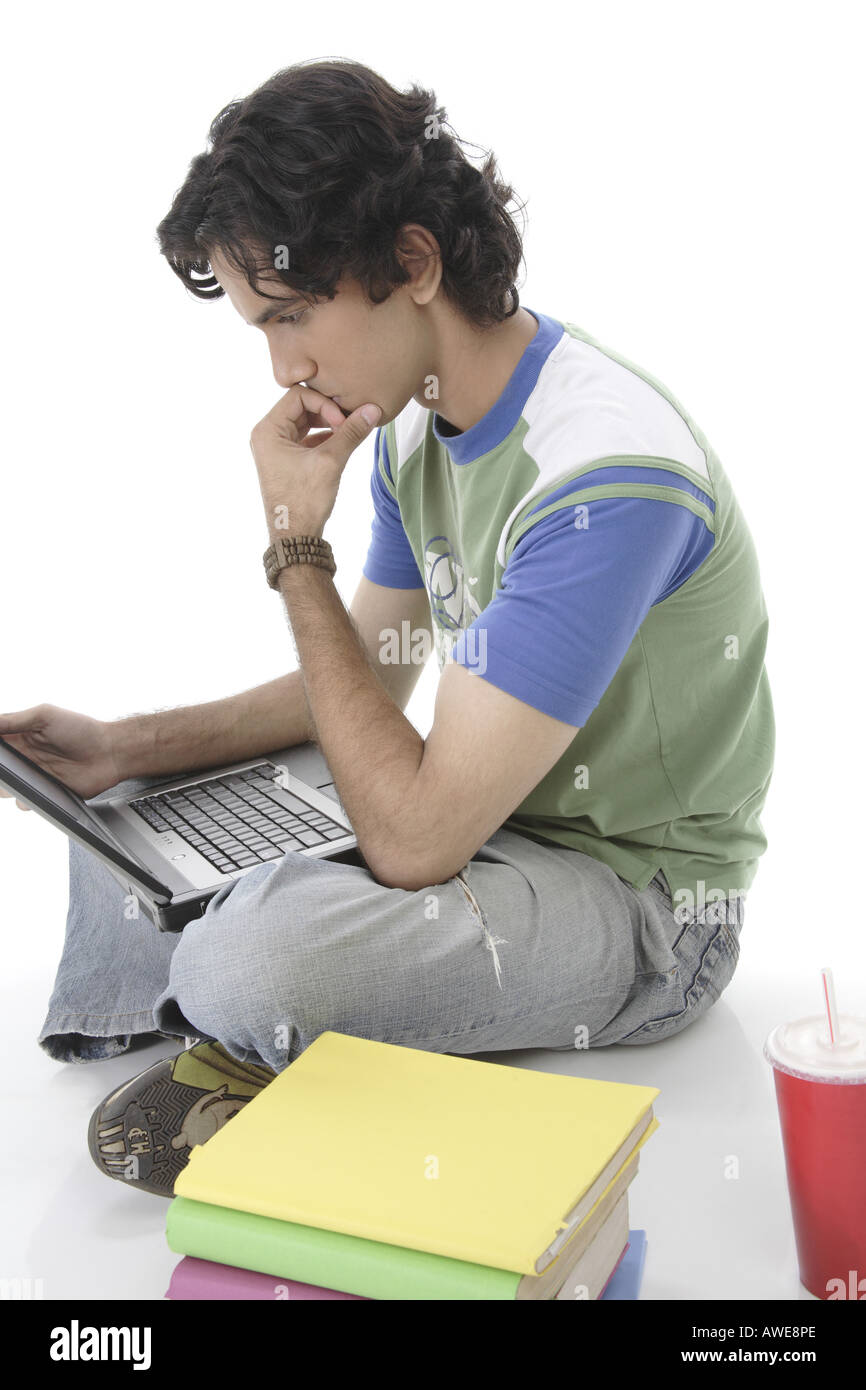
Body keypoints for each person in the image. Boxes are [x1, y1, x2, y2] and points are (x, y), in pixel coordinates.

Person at [0, 58, 774, 1197]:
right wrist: (123, 749)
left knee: (256, 949)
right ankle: (234, 1019)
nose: (283, 367)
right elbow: (362, 676)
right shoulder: (418, 432)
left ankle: (239, 1003)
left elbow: (414, 843)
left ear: (411, 262)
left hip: (639, 905)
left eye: (293, 315)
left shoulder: (608, 472)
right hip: (479, 820)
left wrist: (294, 550)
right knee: (123, 820)